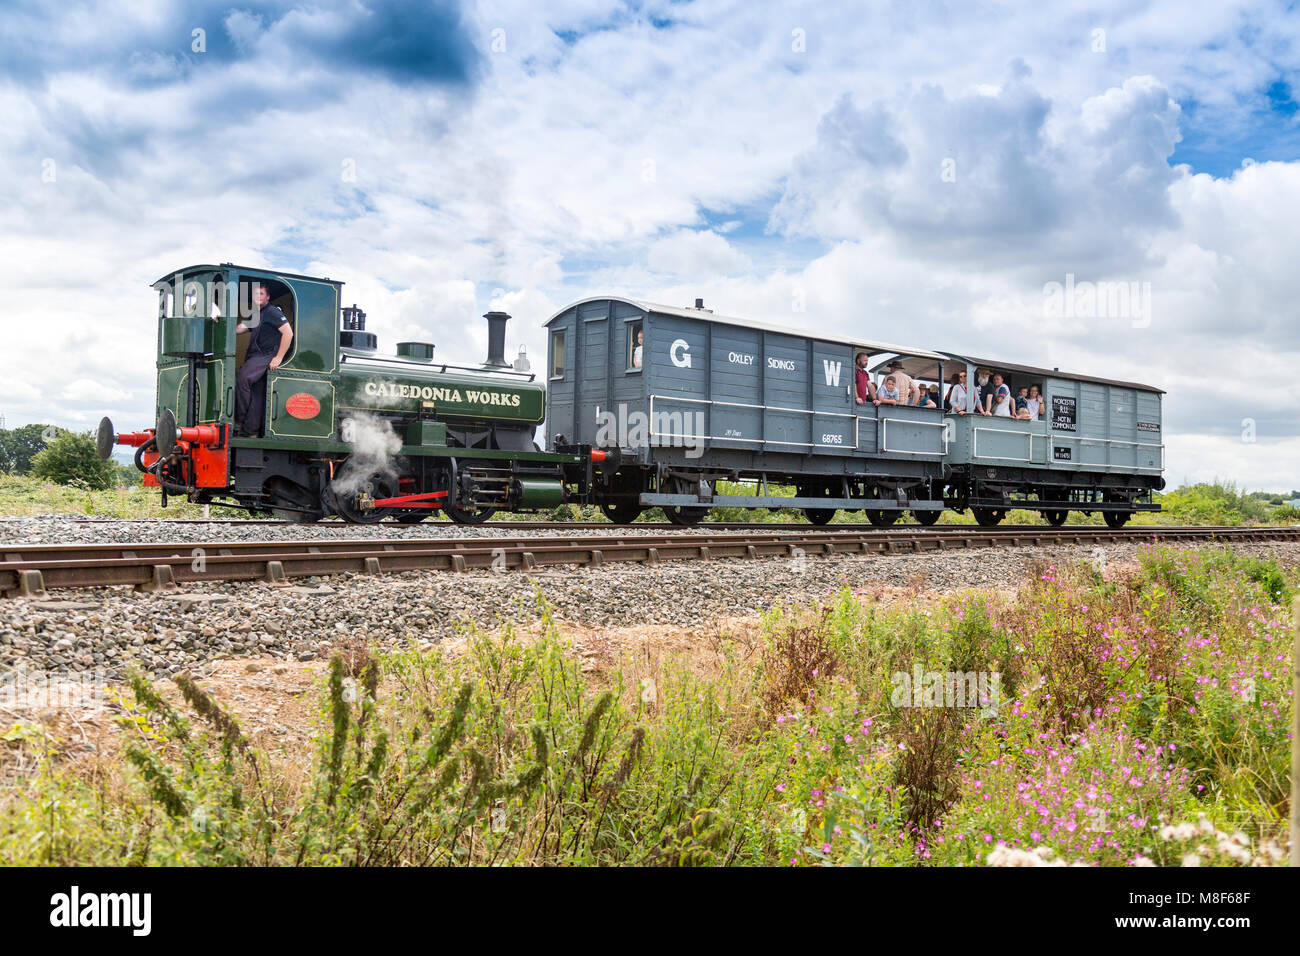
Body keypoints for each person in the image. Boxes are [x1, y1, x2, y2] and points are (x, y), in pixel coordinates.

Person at [234, 285, 292, 437]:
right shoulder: (256, 314)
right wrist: (221, 323)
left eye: (260, 293)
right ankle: (250, 431)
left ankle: (238, 420)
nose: (257, 296)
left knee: (243, 379)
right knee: (257, 393)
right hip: (255, 356)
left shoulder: (273, 312)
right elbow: (240, 328)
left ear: (267, 297)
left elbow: (288, 333)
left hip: (266, 355)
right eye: (255, 294)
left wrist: (278, 357)